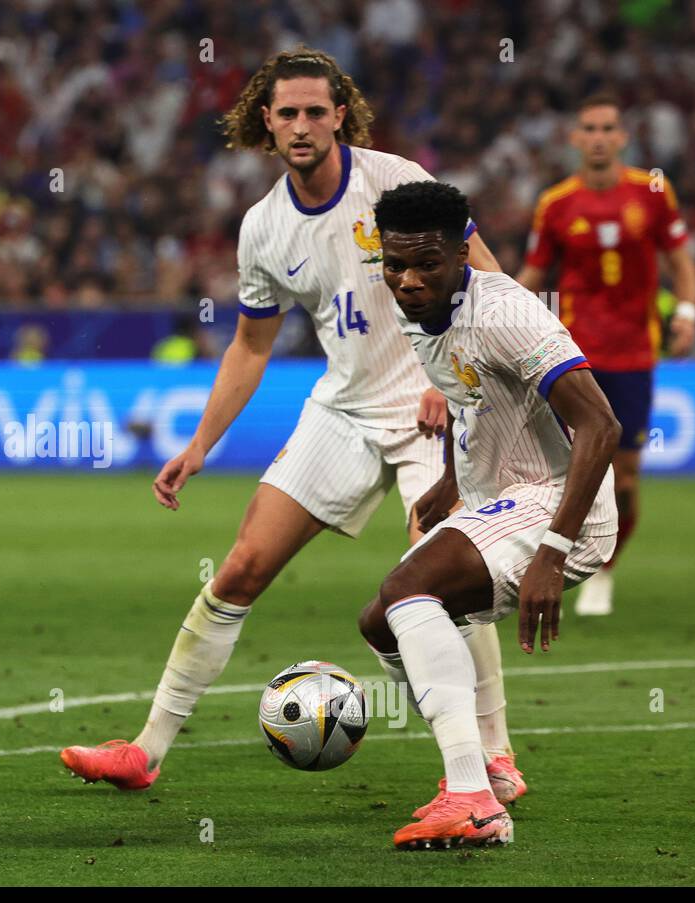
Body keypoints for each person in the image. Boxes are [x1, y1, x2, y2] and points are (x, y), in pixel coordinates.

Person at [59, 48, 525, 801]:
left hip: (430, 407)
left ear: (341, 114)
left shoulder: (396, 182)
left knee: (439, 578)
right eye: (288, 114)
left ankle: (491, 760)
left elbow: (493, 283)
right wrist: (200, 444)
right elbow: (250, 344)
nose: (302, 125)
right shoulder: (265, 227)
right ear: (265, 122)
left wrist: (459, 374)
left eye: (316, 111)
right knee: (241, 566)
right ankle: (144, 751)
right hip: (342, 408)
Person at [359, 180, 619, 849]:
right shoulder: (418, 310)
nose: (408, 280)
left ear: (460, 254)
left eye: (425, 264)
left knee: (405, 593)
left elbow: (601, 426)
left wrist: (554, 551)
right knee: (381, 626)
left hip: (558, 507)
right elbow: (462, 393)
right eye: (394, 264)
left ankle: (474, 799)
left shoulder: (507, 313)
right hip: (495, 502)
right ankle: (483, 778)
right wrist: (449, 479)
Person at [517, 92, 695, 616]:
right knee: (562, 471)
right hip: (571, 357)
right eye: (589, 128)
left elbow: (680, 262)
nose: (598, 138)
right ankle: (554, 562)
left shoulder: (654, 192)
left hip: (634, 354)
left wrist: (684, 314)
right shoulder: (556, 203)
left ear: (622, 137)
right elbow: (534, 275)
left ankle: (605, 569)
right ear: (576, 139)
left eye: (608, 128)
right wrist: (501, 323)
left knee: (626, 479)